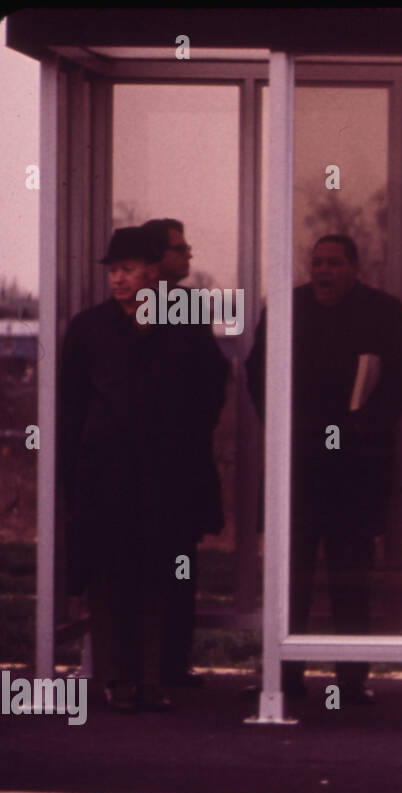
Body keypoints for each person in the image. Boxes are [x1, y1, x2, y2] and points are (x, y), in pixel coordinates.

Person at [59, 227, 224, 712]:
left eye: (127, 270)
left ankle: (150, 680)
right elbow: (70, 405)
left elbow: (212, 386)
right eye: (113, 271)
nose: (118, 280)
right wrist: (74, 470)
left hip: (164, 472)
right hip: (105, 474)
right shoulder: (89, 327)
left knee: (157, 576)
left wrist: (185, 439)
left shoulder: (186, 322)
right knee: (109, 577)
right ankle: (116, 678)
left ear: (153, 272)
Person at [246, 234, 402, 705]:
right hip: (297, 465)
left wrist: (364, 426)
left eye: (335, 264)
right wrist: (288, 429)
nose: (324, 271)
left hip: (355, 467)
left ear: (355, 267)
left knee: (351, 576)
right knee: (290, 574)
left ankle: (351, 677)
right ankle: (286, 675)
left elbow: (401, 377)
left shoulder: (383, 311)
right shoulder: (286, 307)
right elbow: (258, 374)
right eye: (317, 262)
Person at [140, 218, 229, 689]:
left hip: (176, 462)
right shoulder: (170, 310)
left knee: (177, 563)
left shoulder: (186, 308)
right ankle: (156, 664)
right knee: (165, 563)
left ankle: (167, 662)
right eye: (181, 248)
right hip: (164, 462)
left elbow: (213, 379)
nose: (189, 255)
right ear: (157, 258)